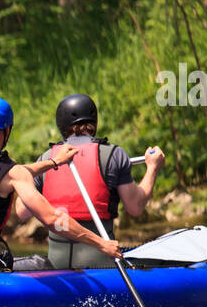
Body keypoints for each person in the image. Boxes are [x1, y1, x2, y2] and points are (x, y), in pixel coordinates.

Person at [0, 96, 123, 271]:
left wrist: (53, 162)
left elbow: (5, 175)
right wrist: (101, 244)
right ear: (7, 130)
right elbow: (52, 218)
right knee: (41, 264)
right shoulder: (11, 172)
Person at [17, 93, 164, 269]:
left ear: (61, 126)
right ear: (94, 122)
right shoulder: (113, 155)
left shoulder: (46, 160)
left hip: (57, 267)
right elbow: (135, 206)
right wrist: (152, 169)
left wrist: (29, 175)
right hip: (102, 267)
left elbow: (21, 211)